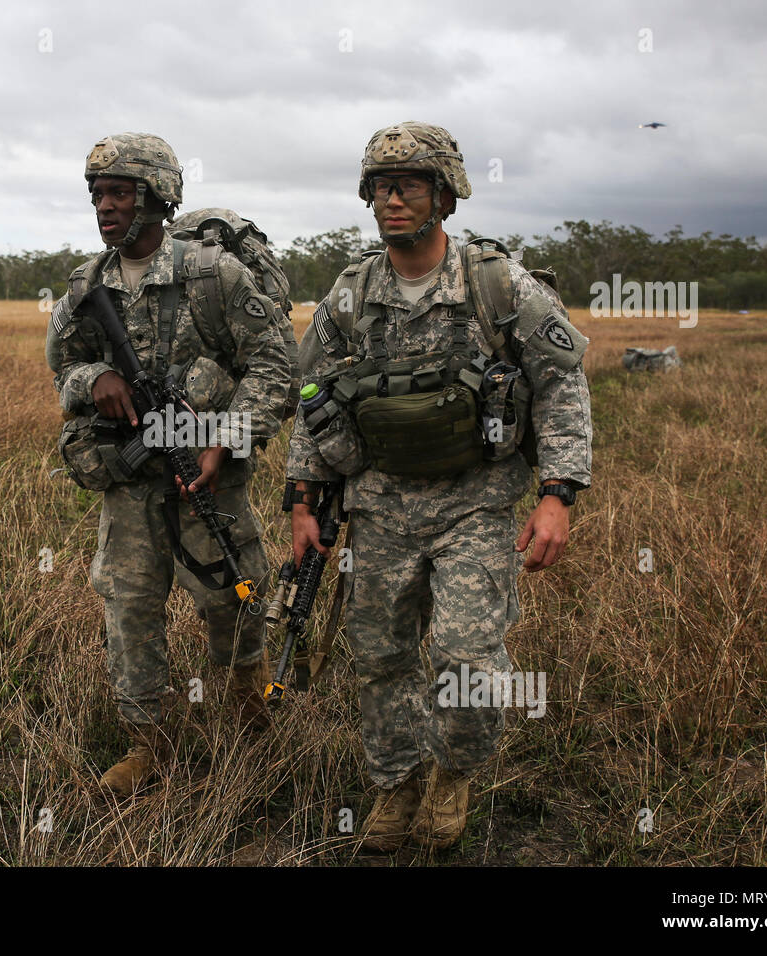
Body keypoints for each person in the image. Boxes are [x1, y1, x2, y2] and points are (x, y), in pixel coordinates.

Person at [284, 122, 593, 851]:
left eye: (409, 185)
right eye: (380, 187)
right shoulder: (353, 292)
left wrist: (558, 493)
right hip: (380, 507)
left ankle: (453, 775)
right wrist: (303, 500)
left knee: (466, 657)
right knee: (381, 655)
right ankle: (395, 785)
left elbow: (560, 384)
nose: (391, 200)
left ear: (444, 196)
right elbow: (311, 393)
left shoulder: (496, 283)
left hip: (476, 504)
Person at [46, 132, 293, 797]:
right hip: (131, 485)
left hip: (205, 474)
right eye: (98, 194)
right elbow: (62, 367)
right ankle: (145, 745)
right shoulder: (86, 286)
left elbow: (275, 366)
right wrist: (96, 376)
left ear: (156, 196)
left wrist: (223, 443)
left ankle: (246, 705)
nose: (105, 207)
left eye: (120, 193)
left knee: (234, 598)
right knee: (128, 607)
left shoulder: (213, 275)